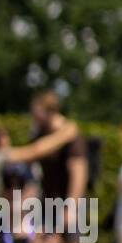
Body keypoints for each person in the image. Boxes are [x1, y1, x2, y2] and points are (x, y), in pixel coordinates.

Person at [27, 91, 87, 231]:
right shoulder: (41, 132)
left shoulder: (71, 135)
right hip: (49, 201)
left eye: (36, 112)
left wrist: (71, 207)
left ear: (48, 112)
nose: (33, 117)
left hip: (68, 201)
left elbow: (78, 173)